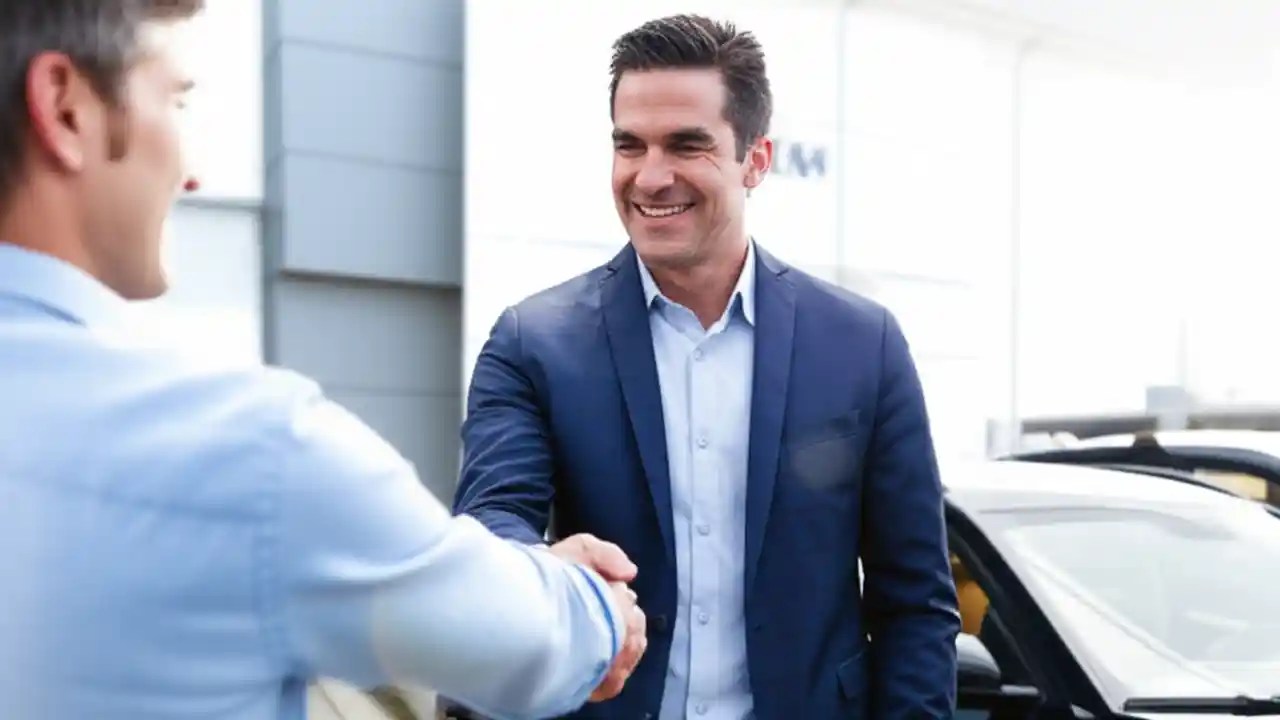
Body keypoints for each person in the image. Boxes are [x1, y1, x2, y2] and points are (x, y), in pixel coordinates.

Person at [0, 2, 645, 719]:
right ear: (64, 109)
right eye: (175, 99)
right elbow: (529, 643)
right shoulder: (244, 451)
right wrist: (595, 603)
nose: (193, 174)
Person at [453, 13, 961, 720]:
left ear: (756, 160)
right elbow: (490, 525)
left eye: (686, 146)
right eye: (629, 145)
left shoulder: (861, 343)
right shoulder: (531, 342)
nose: (650, 177)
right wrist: (540, 566)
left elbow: (915, 603)